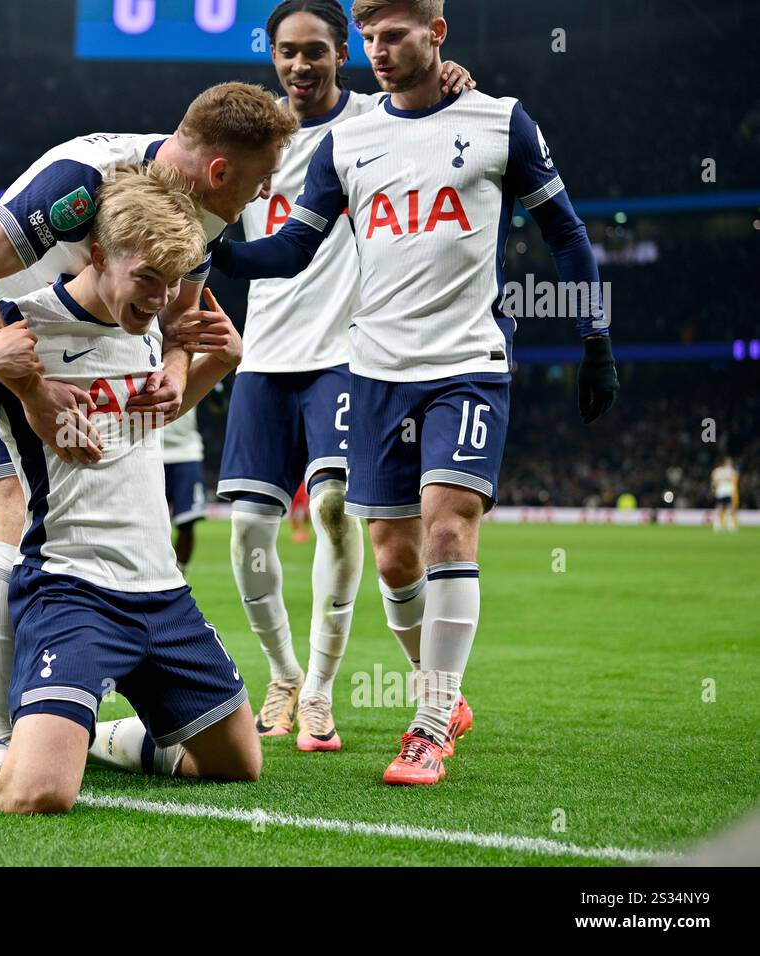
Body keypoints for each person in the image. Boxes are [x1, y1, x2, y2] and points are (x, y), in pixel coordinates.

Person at [212, 0, 619, 783]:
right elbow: (297, 246)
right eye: (367, 39)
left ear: (436, 35)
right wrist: (221, 253)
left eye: (392, 36)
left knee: (445, 530)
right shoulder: (348, 142)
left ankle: (430, 723)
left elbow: (566, 232)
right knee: (394, 555)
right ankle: (443, 689)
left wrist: (595, 339)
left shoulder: (502, 123)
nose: (377, 51)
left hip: (466, 363)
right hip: (374, 372)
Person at [0, 163, 256, 813]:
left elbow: (138, 426)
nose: (158, 301)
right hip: (71, 593)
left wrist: (214, 364)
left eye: (171, 285)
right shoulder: (23, 328)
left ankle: (82, 736)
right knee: (35, 794)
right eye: (146, 280)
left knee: (235, 764)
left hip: (162, 594)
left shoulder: (147, 322)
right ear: (95, 254)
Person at [0, 82, 299, 739]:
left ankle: (87, 729)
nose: (266, 192)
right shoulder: (83, 181)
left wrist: (175, 369)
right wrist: (33, 393)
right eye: (263, 176)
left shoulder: (202, 209)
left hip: (99, 344)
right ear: (219, 170)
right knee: (19, 514)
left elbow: (183, 322)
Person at [219, 0, 474, 752]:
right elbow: (195, 216)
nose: (300, 66)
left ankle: (323, 694)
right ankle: (283, 674)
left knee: (333, 507)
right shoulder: (247, 134)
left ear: (344, 54)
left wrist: (455, 75)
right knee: (247, 531)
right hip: (265, 354)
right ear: (272, 57)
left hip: (347, 353)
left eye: (316, 53)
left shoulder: (377, 121)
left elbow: (446, 111)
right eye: (286, 53)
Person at [160, 408, 206, 576]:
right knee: (148, 522)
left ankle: (180, 574)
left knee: (187, 522)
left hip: (186, 451)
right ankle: (150, 573)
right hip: (150, 450)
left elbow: (219, 405)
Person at [711, 456, 740, 533]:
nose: (729, 463)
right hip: (720, 492)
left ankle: (730, 526)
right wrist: (725, 478)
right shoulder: (717, 470)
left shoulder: (731, 471)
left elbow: (734, 478)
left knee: (729, 509)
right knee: (719, 509)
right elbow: (715, 480)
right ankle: (717, 525)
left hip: (728, 492)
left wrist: (723, 478)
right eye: (728, 461)